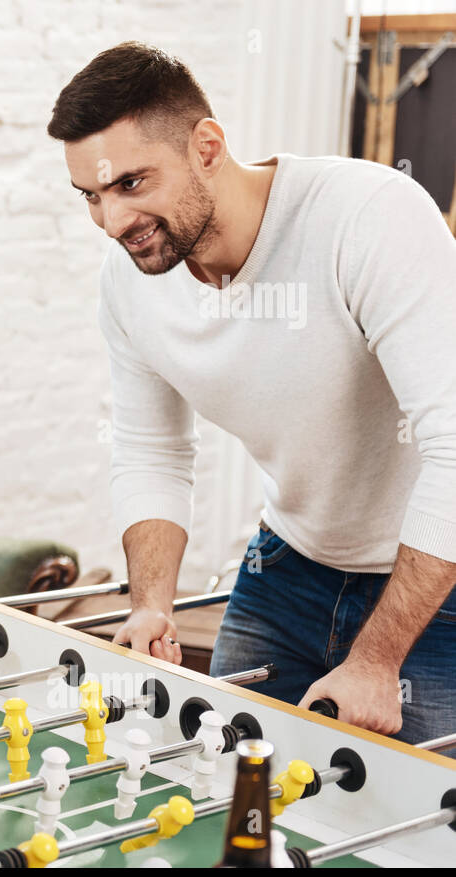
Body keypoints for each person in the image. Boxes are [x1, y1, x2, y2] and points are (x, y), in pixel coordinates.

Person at [47, 42, 456, 744]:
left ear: (207, 146)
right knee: (229, 795)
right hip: (285, 568)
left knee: (405, 838)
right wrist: (151, 605)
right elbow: (152, 450)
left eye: (132, 184)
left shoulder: (368, 218)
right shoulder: (130, 283)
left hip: (433, 592)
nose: (112, 223)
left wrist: (377, 658)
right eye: (92, 195)